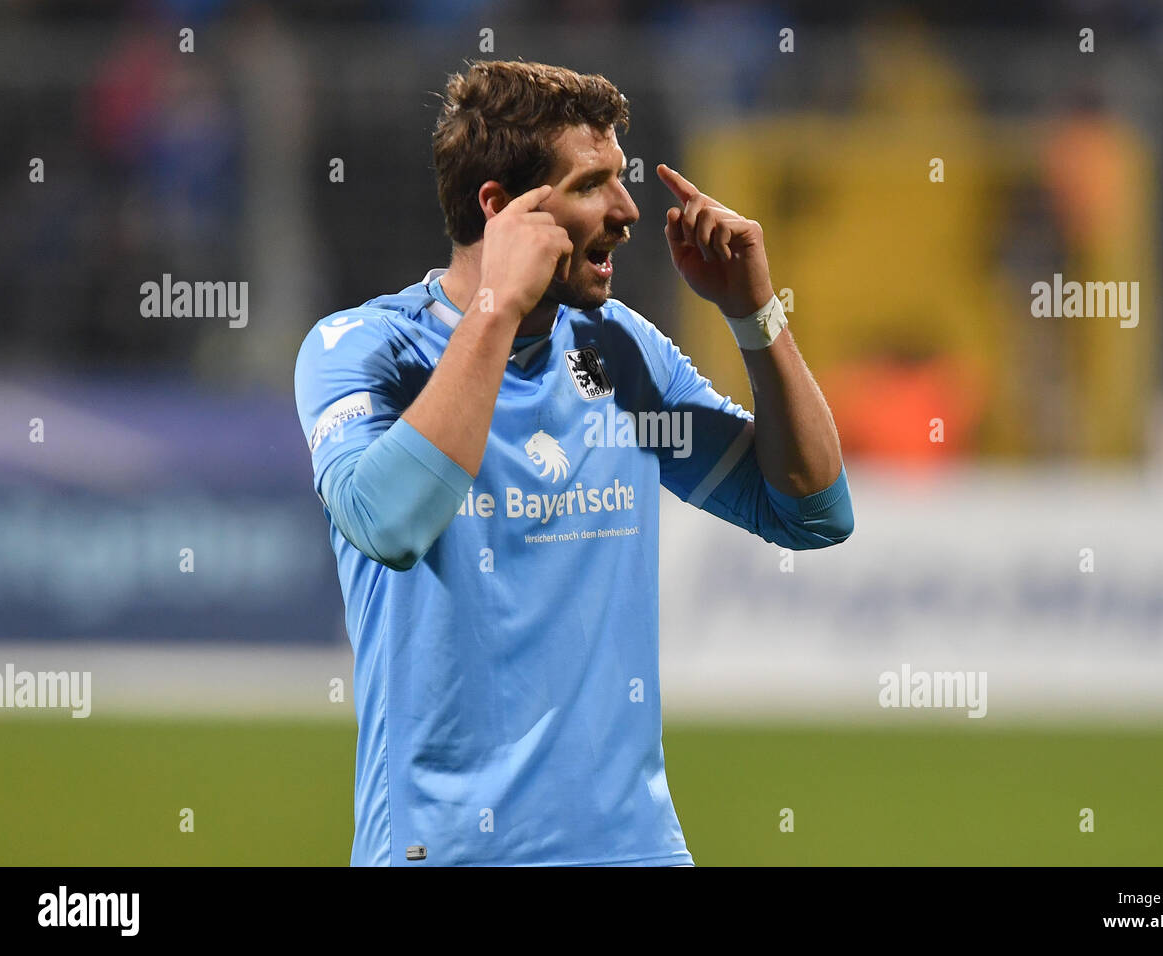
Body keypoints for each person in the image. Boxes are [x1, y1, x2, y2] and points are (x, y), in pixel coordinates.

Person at [293, 60, 853, 866]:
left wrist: (755, 315)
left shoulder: (619, 351)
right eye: (592, 184)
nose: (627, 211)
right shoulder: (363, 351)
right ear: (500, 209)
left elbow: (815, 513)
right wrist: (497, 309)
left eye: (621, 179)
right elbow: (389, 524)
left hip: (634, 850)